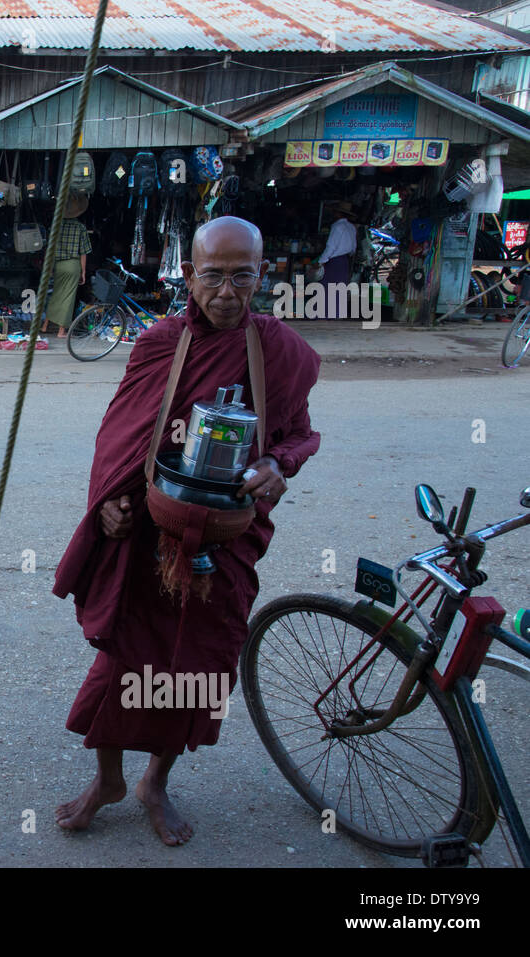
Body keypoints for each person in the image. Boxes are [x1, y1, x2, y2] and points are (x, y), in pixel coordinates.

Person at [52, 216, 321, 846]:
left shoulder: (278, 349)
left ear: (261, 275)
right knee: (126, 663)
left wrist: (278, 465)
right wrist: (107, 508)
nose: (227, 292)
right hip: (149, 531)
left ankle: (155, 781)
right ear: (189, 276)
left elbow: (300, 431)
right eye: (213, 276)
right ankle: (110, 779)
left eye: (242, 276)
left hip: (226, 537)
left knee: (199, 664)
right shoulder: (159, 345)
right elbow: (119, 438)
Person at [45, 194, 92, 338]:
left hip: (58, 264)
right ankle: (61, 331)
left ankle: (45, 325)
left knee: (56, 295)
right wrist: (83, 271)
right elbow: (84, 252)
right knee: (68, 299)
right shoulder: (80, 228)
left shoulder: (56, 226)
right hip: (73, 265)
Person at [317, 203, 357, 320]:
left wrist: (321, 261)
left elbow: (331, 246)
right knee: (339, 289)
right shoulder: (351, 227)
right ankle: (336, 315)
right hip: (344, 261)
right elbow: (353, 247)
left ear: (338, 214)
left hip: (334, 261)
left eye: (335, 212)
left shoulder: (337, 227)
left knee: (327, 289)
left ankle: (324, 315)